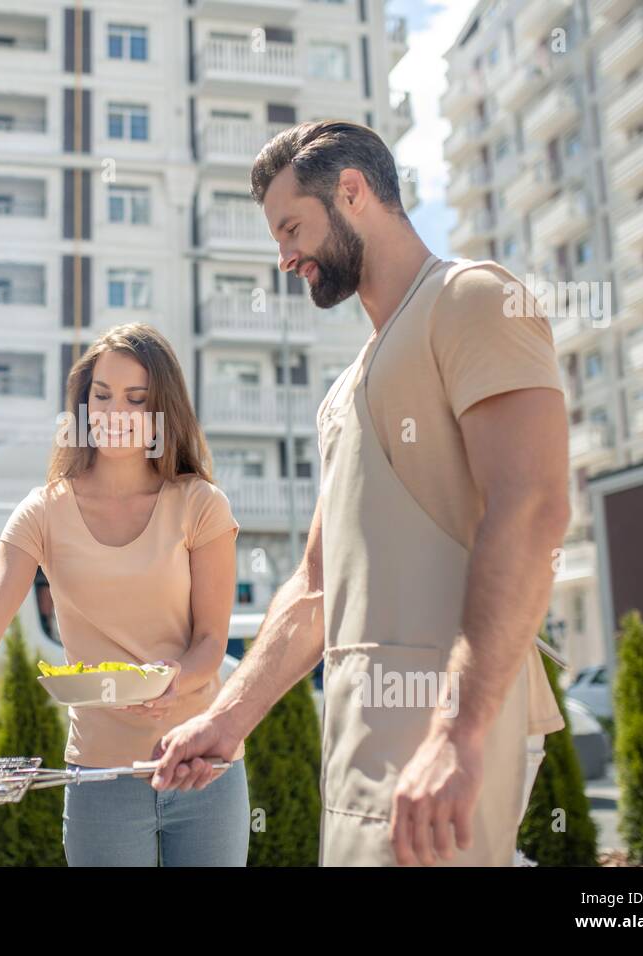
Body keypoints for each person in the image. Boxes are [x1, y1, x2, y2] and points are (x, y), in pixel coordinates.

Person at [151, 120, 570, 867]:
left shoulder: (471, 298)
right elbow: (316, 586)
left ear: (353, 192)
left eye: (292, 228)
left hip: (444, 727)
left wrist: (456, 731)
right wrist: (227, 717)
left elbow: (533, 508)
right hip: (357, 733)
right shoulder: (345, 389)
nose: (285, 258)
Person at [0, 323, 249, 866]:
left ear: (162, 411)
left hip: (203, 765)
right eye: (101, 396)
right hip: (99, 774)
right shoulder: (43, 511)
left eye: (136, 398)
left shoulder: (201, 505)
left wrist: (176, 679)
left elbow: (210, 641)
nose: (114, 412)